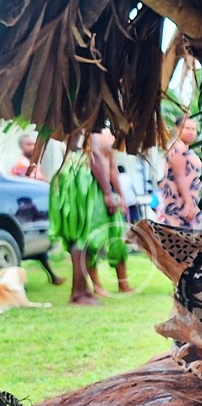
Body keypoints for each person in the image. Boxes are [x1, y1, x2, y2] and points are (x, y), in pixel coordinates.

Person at [50, 129, 131, 305]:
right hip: (87, 183)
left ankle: (83, 290)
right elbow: (93, 155)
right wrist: (107, 193)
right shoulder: (90, 129)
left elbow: (111, 167)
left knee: (84, 238)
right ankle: (78, 294)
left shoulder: (82, 131)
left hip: (80, 180)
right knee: (85, 238)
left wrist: (120, 194)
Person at [8, 133, 64, 285]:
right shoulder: (22, 165)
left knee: (38, 248)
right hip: (24, 211)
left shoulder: (32, 163)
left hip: (31, 210)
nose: (33, 147)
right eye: (29, 144)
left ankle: (52, 277)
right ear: (21, 147)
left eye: (34, 144)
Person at [156, 115, 202, 227]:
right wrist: (189, 204)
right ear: (177, 129)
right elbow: (179, 177)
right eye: (186, 128)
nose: (191, 132)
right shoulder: (177, 148)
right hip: (181, 206)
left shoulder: (184, 148)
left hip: (188, 203)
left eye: (193, 129)